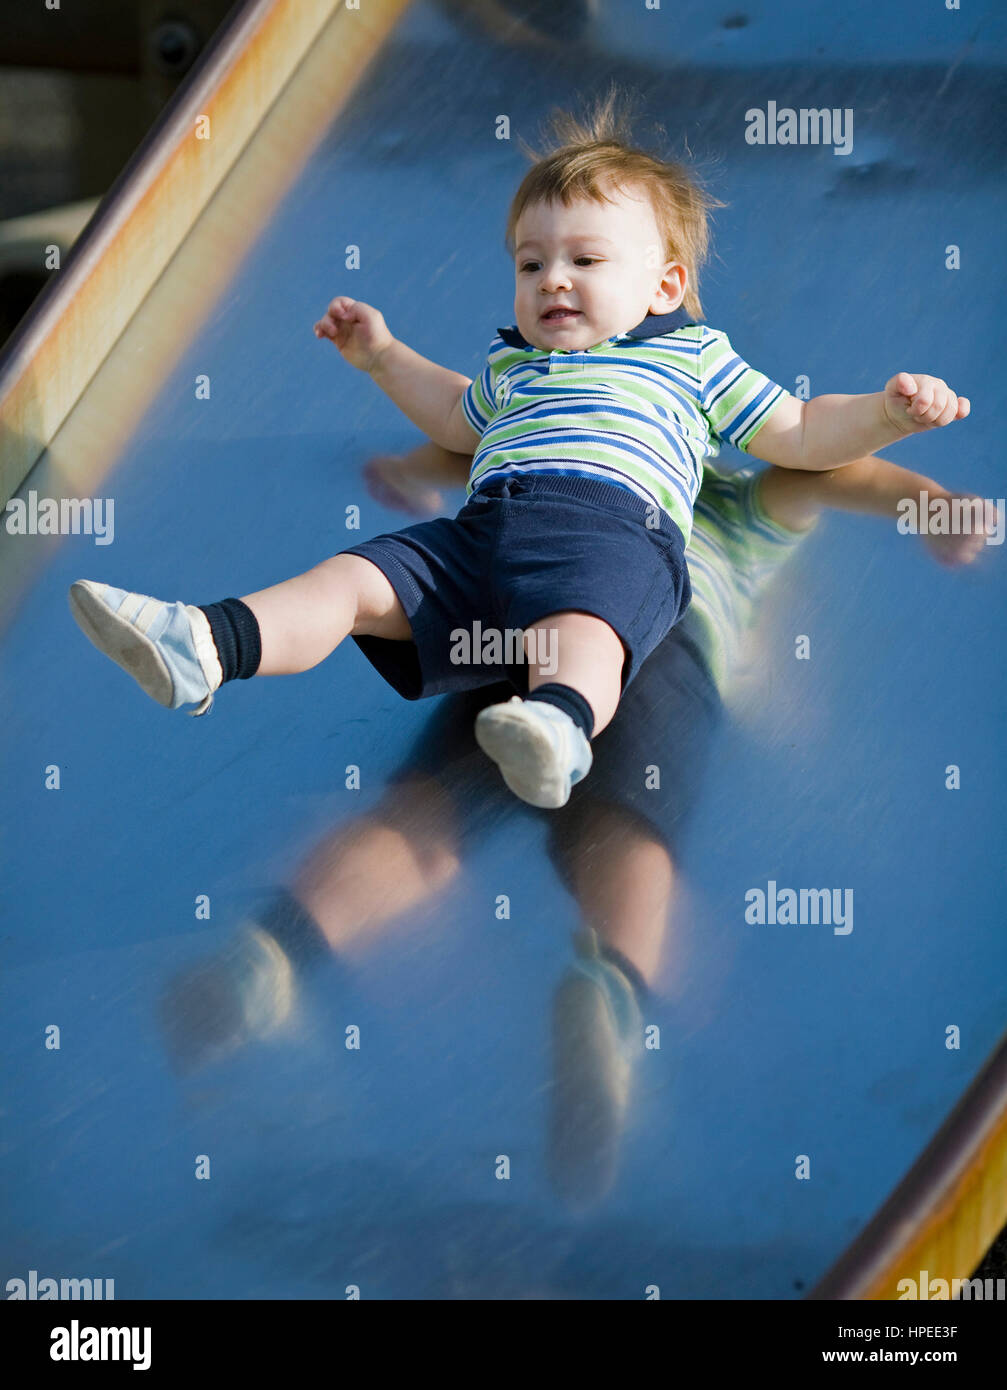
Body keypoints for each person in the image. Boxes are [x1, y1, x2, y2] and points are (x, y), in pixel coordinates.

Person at [67, 90, 969, 811]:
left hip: (614, 532)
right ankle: (210, 643)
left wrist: (888, 416)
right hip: (480, 533)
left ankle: (558, 723)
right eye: (530, 263)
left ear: (665, 285)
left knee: (581, 632)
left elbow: (803, 435)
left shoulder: (693, 358)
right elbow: (458, 421)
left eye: (584, 259)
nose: (553, 280)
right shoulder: (514, 365)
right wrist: (381, 356)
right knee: (353, 580)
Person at [160, 438, 995, 1207]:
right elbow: (823, 470)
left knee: (425, 815)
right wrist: (929, 504)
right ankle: (609, 989)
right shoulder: (735, 507)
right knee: (627, 840)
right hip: (660, 643)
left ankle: (271, 955)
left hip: (522, 628)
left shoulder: (573, 451)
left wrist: (412, 469)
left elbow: (472, 444)